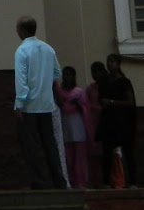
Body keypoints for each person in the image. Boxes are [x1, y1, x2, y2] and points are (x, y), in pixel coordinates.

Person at [14, 16, 67, 190]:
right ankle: (59, 180)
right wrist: (44, 83)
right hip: (46, 104)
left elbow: (21, 81)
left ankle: (39, 180)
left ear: (22, 30)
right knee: (49, 144)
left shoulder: (22, 51)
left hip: (29, 105)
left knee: (32, 145)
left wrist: (19, 104)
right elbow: (57, 73)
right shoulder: (48, 49)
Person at [98, 54, 138, 187]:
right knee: (107, 153)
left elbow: (130, 102)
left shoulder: (124, 82)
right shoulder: (105, 82)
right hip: (109, 121)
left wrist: (111, 102)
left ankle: (133, 182)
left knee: (128, 152)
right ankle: (106, 182)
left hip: (122, 121)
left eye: (112, 62)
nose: (110, 64)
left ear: (118, 64)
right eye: (108, 62)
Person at [58, 67, 89, 189]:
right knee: (68, 158)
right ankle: (69, 181)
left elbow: (86, 109)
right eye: (65, 74)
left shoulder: (79, 92)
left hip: (78, 127)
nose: (67, 77)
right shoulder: (59, 92)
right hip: (65, 127)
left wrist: (77, 104)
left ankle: (80, 182)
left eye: (70, 74)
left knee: (79, 159)